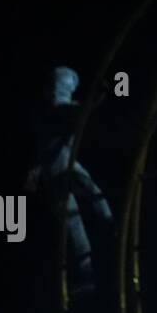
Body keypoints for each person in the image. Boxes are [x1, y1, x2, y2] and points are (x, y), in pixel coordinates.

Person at [24, 67, 114, 297]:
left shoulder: (60, 109)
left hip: (63, 169)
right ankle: (88, 270)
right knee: (75, 223)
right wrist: (35, 173)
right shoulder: (49, 112)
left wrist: (98, 97)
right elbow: (45, 145)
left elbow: (81, 112)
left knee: (89, 203)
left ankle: (111, 229)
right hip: (56, 172)